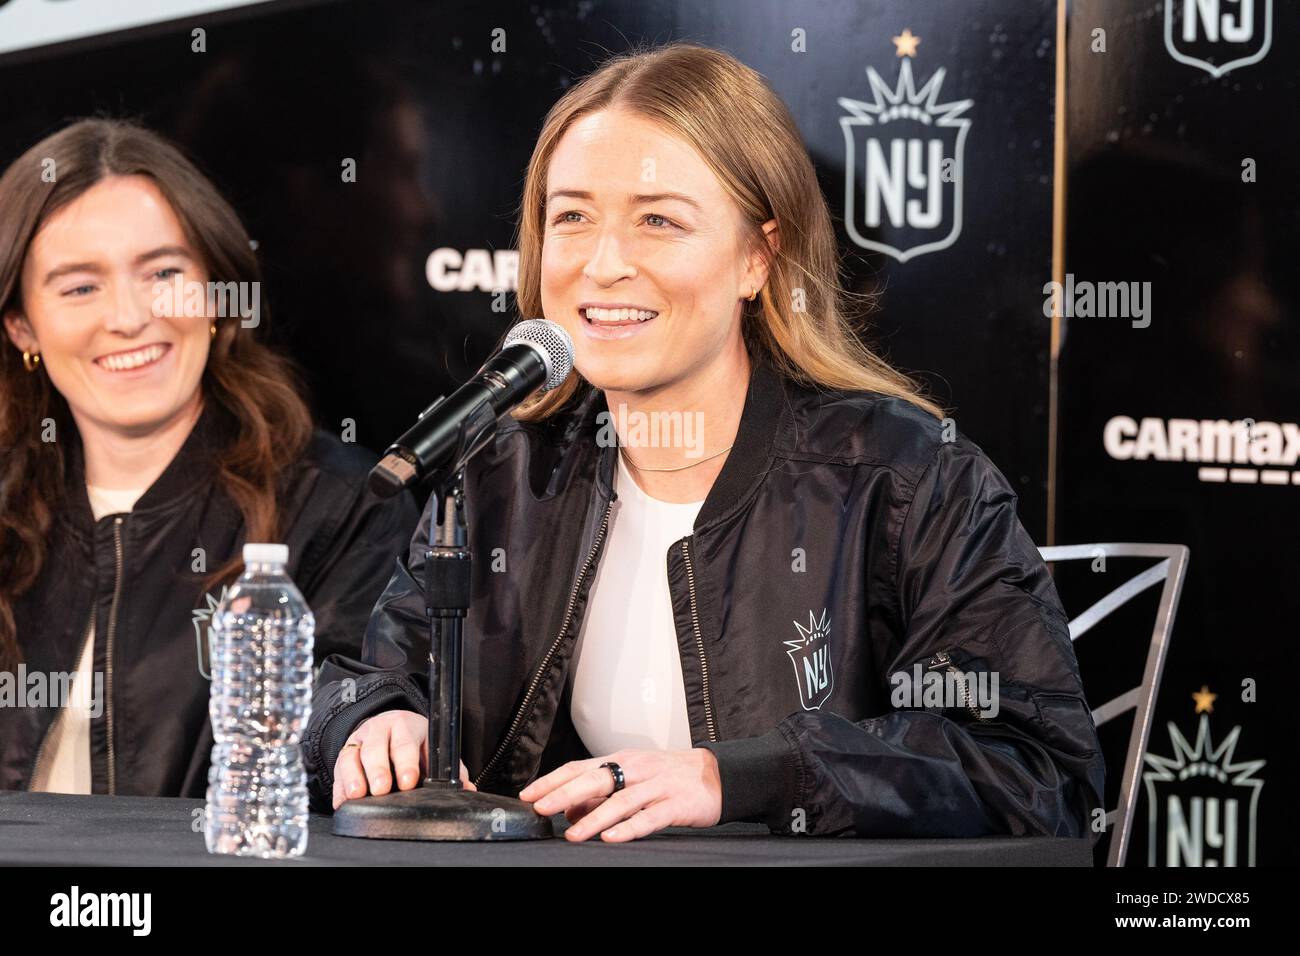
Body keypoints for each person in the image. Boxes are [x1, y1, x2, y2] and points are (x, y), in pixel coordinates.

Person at [302, 42, 1106, 842]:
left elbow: (1035, 767)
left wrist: (746, 775)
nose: (604, 263)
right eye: (573, 216)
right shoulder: (500, 472)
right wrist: (373, 722)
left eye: (658, 220)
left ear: (759, 257)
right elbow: (367, 679)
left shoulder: (907, 475)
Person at [0, 118, 419, 796]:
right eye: (80, 286)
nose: (130, 317)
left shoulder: (341, 510)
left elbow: (352, 719)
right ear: (22, 325)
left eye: (163, 271)